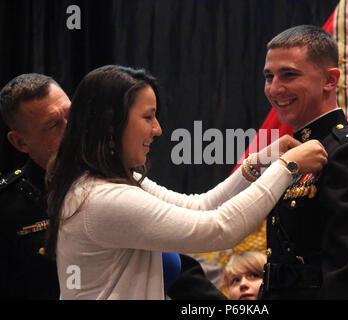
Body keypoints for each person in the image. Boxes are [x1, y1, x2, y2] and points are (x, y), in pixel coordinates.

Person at [45, 65, 328, 300]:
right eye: (147, 117)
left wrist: (257, 164)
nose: (157, 129)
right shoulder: (102, 198)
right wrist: (286, 168)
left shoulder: (115, 182)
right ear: (110, 124)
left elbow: (200, 206)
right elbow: (218, 229)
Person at [260, 25, 348, 299]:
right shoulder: (291, 151)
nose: (275, 88)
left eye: (289, 75)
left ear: (330, 80)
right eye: (269, 76)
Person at [0, 73, 71, 299]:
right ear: (20, 142)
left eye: (72, 115)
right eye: (53, 125)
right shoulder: (7, 206)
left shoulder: (111, 175)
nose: (71, 131)